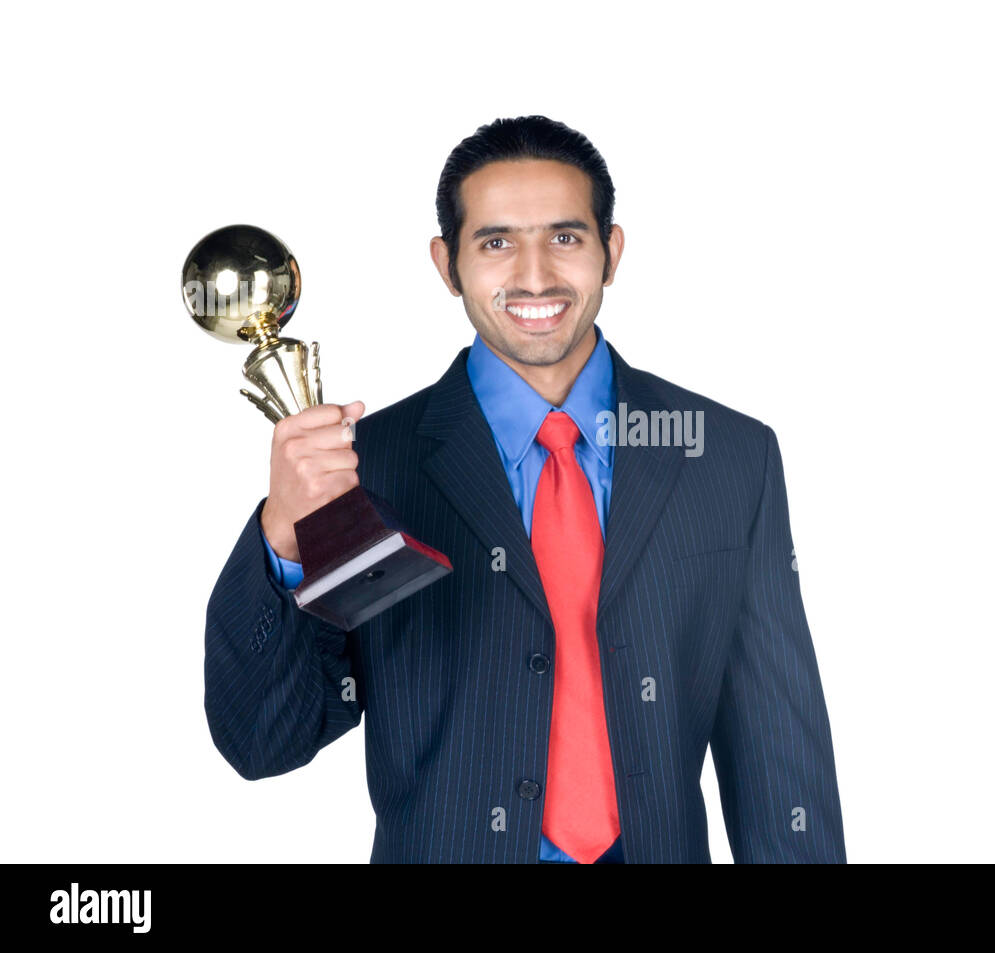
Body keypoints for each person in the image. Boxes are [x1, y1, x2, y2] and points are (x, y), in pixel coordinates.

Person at [205, 115, 847, 863]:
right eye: (497, 241)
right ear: (448, 265)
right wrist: (284, 530)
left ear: (612, 252)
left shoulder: (729, 456)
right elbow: (263, 739)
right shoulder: (370, 469)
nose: (536, 275)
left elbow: (777, 752)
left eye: (566, 237)